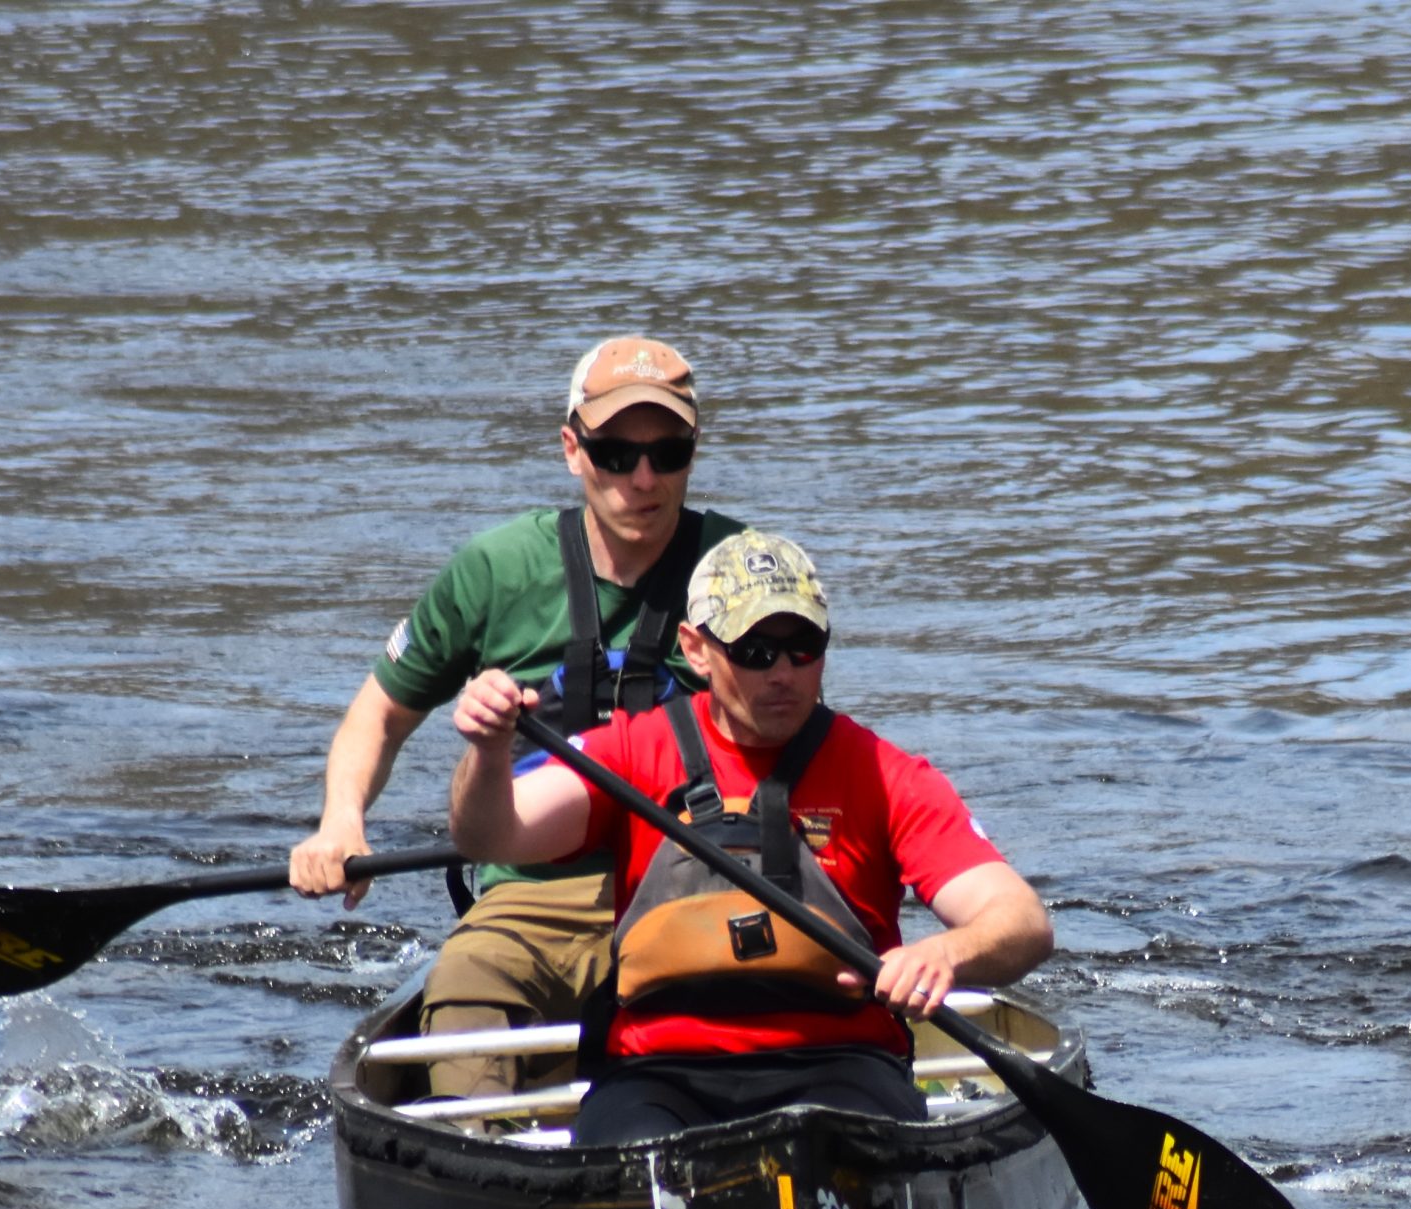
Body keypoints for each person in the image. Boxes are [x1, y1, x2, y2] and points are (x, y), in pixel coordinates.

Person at [446, 531, 1054, 1144]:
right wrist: (489, 751)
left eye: (803, 648)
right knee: (629, 1151)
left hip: (841, 1065)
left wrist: (945, 954)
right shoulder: (630, 750)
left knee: (853, 1142)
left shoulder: (885, 773)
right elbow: (490, 836)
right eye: (755, 651)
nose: (783, 674)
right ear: (697, 650)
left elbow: (1022, 922)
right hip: (658, 1074)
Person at [289, 336, 746, 1096]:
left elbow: (797, 731)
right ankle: (479, 1134)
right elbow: (379, 715)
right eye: (615, 454)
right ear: (572, 450)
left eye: (668, 453)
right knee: (467, 976)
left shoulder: (743, 570)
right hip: (531, 896)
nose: (643, 479)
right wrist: (341, 823)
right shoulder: (495, 570)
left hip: (701, 879)